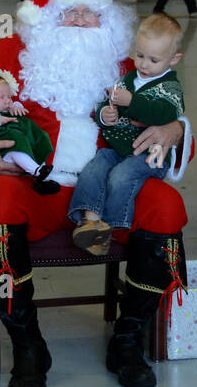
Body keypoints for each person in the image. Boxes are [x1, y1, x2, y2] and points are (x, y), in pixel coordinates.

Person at [0, 0, 195, 387]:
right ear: (46, 16)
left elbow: (168, 105)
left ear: (107, 19)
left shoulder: (128, 63)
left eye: (89, 12)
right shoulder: (6, 56)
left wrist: (176, 129)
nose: (79, 21)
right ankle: (29, 346)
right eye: (68, 12)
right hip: (32, 185)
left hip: (111, 189)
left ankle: (128, 340)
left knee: (167, 208)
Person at [70, 13, 185, 255]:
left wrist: (132, 102)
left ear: (174, 59)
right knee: (95, 167)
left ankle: (110, 227)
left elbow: (163, 114)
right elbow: (105, 102)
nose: (143, 64)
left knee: (122, 176)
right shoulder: (127, 79)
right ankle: (89, 220)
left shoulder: (170, 88)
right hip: (118, 149)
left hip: (150, 155)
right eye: (140, 55)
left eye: (153, 60)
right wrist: (105, 115)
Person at [0, 71, 59, 194]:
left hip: (9, 131)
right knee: (16, 141)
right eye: (2, 97)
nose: (7, 101)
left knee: (34, 134)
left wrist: (16, 106)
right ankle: (36, 171)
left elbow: (12, 104)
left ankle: (42, 174)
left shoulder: (1, 104)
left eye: (9, 96)